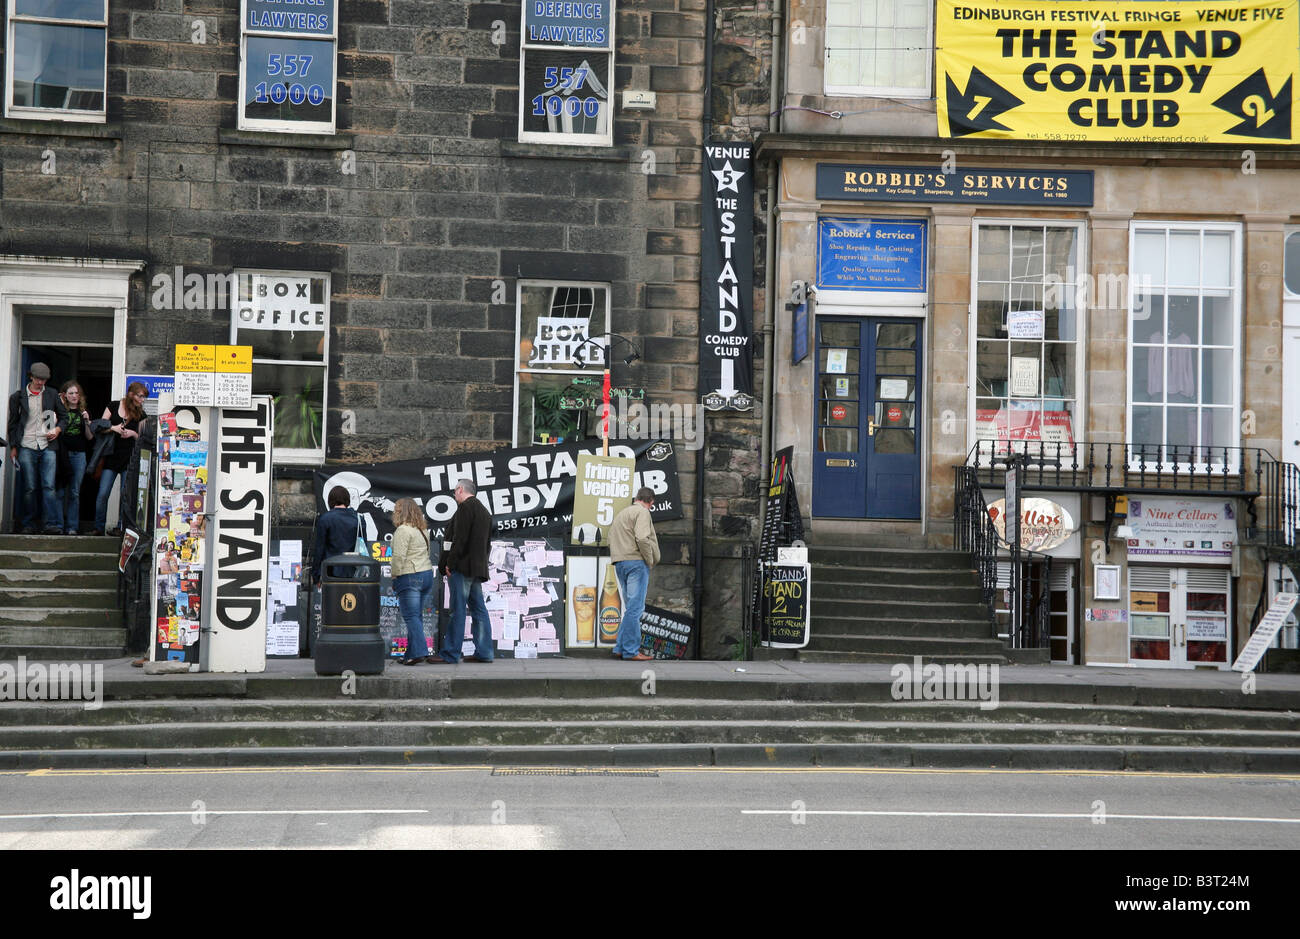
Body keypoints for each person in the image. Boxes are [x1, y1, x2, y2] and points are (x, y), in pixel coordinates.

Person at [430, 478, 494, 664]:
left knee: (457, 611)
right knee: (479, 610)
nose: (454, 494)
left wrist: (449, 563)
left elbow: (459, 539)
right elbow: (486, 543)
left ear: (460, 489)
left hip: (462, 567)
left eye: (454, 491)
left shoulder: (465, 509)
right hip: (477, 568)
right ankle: (485, 652)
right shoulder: (484, 512)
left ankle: (450, 653)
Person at [7, 362, 68, 535]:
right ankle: (29, 523)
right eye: (38, 379)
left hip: (48, 444)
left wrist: (57, 429)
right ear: (31, 377)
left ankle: (49, 524)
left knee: (49, 486)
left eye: (44, 380)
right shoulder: (17, 397)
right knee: (30, 487)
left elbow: (64, 417)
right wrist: (13, 447)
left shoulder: (52, 394)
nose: (41, 382)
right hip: (26, 444)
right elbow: (13, 425)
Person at [609, 486, 660, 661]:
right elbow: (642, 538)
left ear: (637, 497)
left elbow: (611, 538)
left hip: (620, 563)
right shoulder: (643, 513)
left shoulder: (622, 514)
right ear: (650, 502)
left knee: (631, 608)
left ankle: (620, 648)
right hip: (636, 562)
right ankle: (631, 651)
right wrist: (649, 559)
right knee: (636, 608)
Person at [89, 382, 146, 536]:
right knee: (102, 494)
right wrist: (113, 428)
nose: (142, 400)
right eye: (140, 396)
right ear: (131, 394)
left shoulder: (141, 413)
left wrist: (133, 434)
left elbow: (142, 439)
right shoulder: (113, 406)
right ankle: (98, 527)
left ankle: (121, 527)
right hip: (110, 457)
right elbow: (99, 427)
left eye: (144, 397)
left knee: (125, 496)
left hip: (129, 459)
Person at [390, 498, 435, 665]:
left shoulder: (403, 530)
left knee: (410, 616)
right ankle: (410, 653)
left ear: (400, 512)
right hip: (426, 574)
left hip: (410, 575)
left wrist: (394, 576)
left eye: (396, 509)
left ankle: (419, 652)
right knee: (416, 617)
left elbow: (399, 557)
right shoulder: (422, 530)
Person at [55, 381, 94, 535]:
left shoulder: (83, 412)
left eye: (76, 393)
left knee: (74, 492)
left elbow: (90, 438)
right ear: (64, 395)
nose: (74, 396)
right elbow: (50, 429)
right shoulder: (59, 412)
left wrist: (86, 421)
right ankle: (58, 525)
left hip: (79, 454)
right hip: (61, 454)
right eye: (70, 393)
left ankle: (72, 527)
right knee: (59, 491)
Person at [311, 486, 361, 582]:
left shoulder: (325, 519)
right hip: (353, 571)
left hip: (330, 571)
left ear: (330, 500)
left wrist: (316, 574)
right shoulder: (359, 519)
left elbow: (319, 549)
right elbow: (363, 545)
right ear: (347, 500)